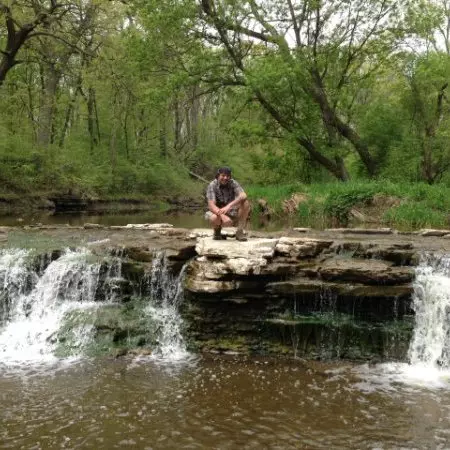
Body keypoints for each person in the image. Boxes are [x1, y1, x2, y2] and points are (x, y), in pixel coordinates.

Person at [205, 166, 250, 241]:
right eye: (223, 175)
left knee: (246, 203)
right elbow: (211, 205)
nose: (225, 178)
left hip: (231, 210)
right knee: (214, 218)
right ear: (218, 176)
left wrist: (229, 206)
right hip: (217, 212)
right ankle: (217, 232)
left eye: (228, 176)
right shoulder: (212, 185)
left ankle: (240, 232)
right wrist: (223, 216)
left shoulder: (233, 182)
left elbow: (243, 195)